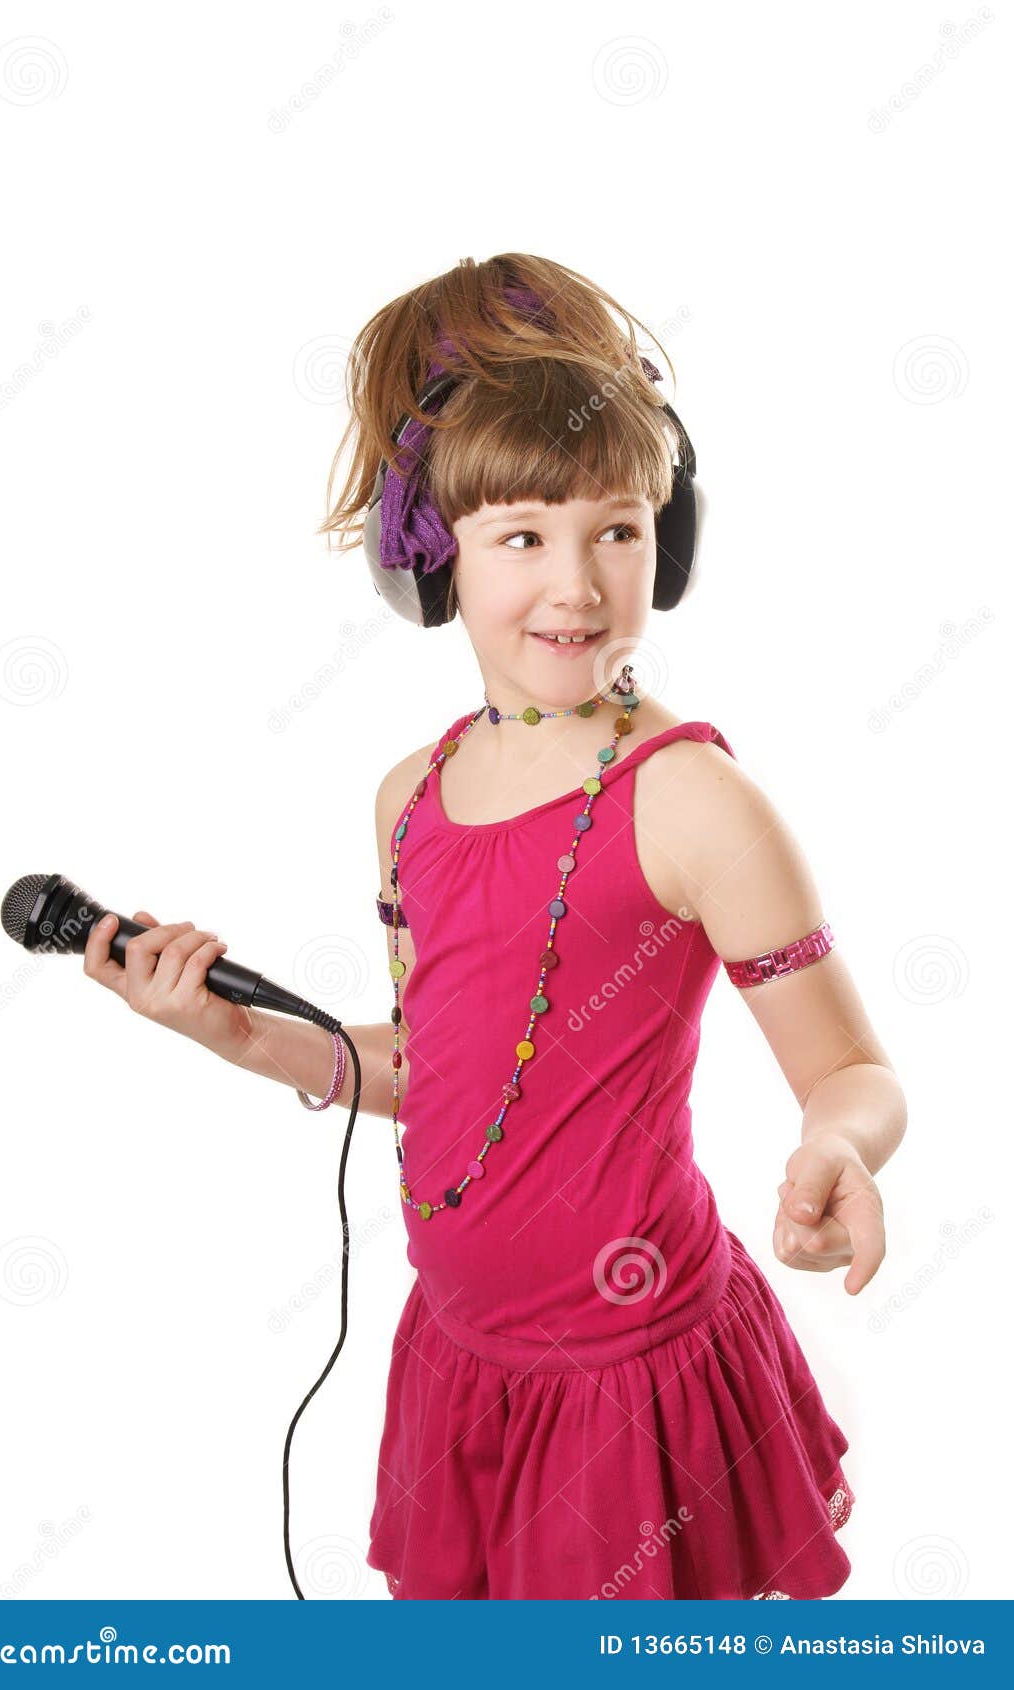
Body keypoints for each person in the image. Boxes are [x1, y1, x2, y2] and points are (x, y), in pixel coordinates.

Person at [82, 253, 907, 1601]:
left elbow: (853, 1068)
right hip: (462, 1363)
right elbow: (441, 1071)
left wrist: (838, 1144)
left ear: (667, 541)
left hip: (631, 1383)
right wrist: (235, 1034)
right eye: (522, 537)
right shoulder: (409, 799)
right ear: (427, 557)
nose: (577, 586)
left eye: (619, 530)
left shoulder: (694, 801)